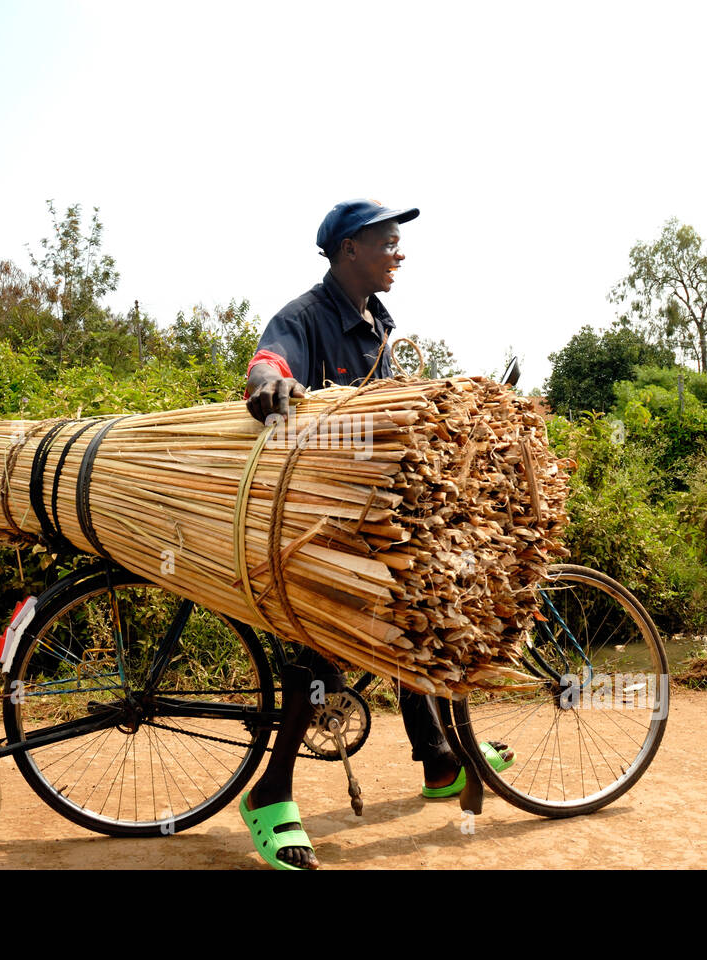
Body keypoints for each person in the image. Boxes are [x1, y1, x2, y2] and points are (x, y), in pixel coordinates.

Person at [239, 199, 513, 870]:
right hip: (306, 527)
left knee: (415, 607)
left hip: (362, 518)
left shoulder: (377, 325)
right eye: (388, 241)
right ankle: (270, 794)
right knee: (318, 648)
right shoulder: (308, 316)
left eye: (399, 241)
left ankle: (439, 760)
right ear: (348, 249)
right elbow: (268, 361)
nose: (399, 251)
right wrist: (267, 388)